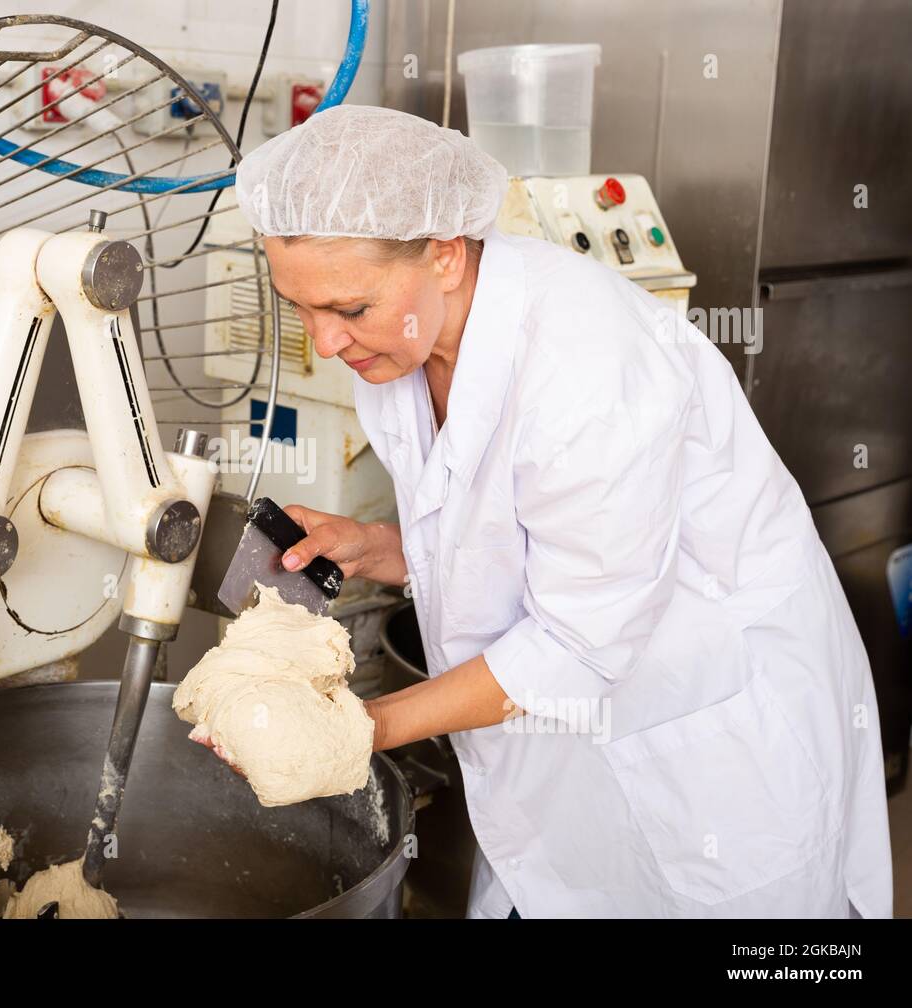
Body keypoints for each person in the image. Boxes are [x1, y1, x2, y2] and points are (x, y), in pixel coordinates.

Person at [227, 104, 892, 918]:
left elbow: (577, 644)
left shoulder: (586, 366)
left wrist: (355, 728)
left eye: (350, 310)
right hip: (567, 738)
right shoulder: (408, 350)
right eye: (301, 307)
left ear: (443, 255)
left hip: (706, 741)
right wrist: (379, 547)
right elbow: (503, 540)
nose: (324, 343)